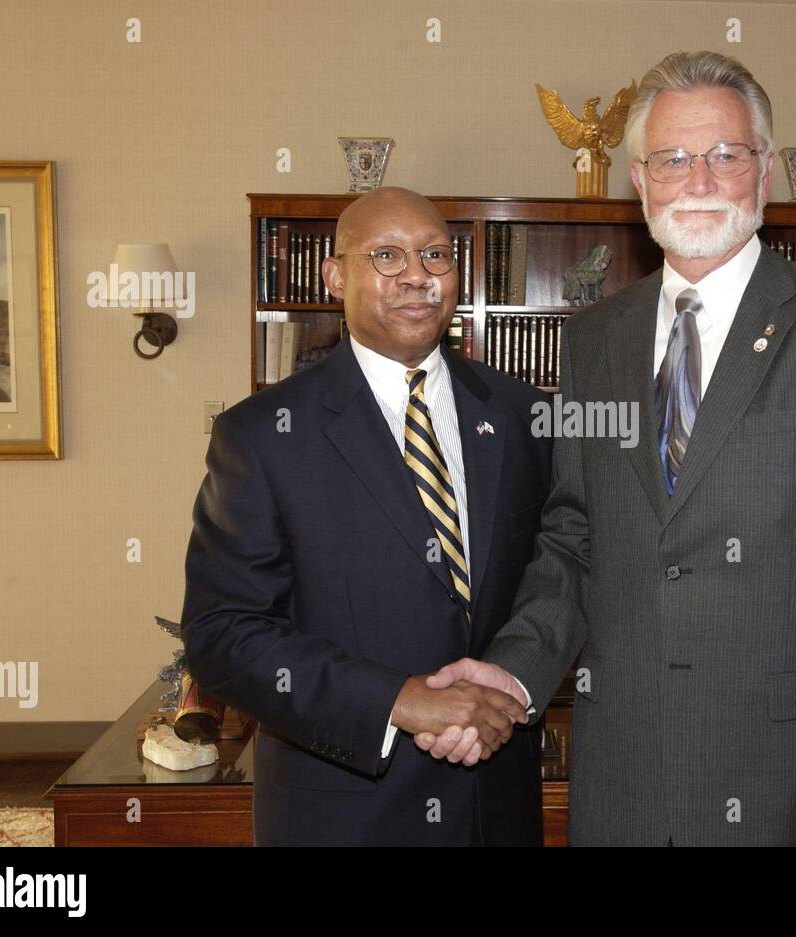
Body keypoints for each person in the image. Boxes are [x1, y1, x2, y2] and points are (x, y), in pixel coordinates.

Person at [419, 51, 796, 846]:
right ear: (640, 179)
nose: (698, 178)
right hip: (623, 781)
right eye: (673, 159)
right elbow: (574, 541)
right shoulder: (594, 338)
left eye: (725, 155)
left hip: (790, 784)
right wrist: (512, 672)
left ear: (763, 174)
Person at [181, 187, 550, 845]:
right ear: (334, 275)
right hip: (344, 814)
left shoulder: (523, 416)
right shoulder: (262, 435)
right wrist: (398, 701)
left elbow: (557, 572)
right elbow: (224, 635)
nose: (418, 275)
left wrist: (515, 683)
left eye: (436, 255)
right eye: (387, 255)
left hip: (496, 806)